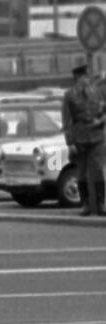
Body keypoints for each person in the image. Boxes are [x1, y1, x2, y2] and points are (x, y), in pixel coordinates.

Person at [62, 65, 106, 216]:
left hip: (97, 136)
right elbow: (66, 121)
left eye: (88, 77)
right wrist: (70, 143)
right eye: (84, 77)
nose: (87, 80)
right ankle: (86, 204)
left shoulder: (97, 93)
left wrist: (101, 121)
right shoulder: (69, 95)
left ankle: (101, 203)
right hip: (80, 138)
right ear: (77, 78)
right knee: (81, 173)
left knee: (98, 170)